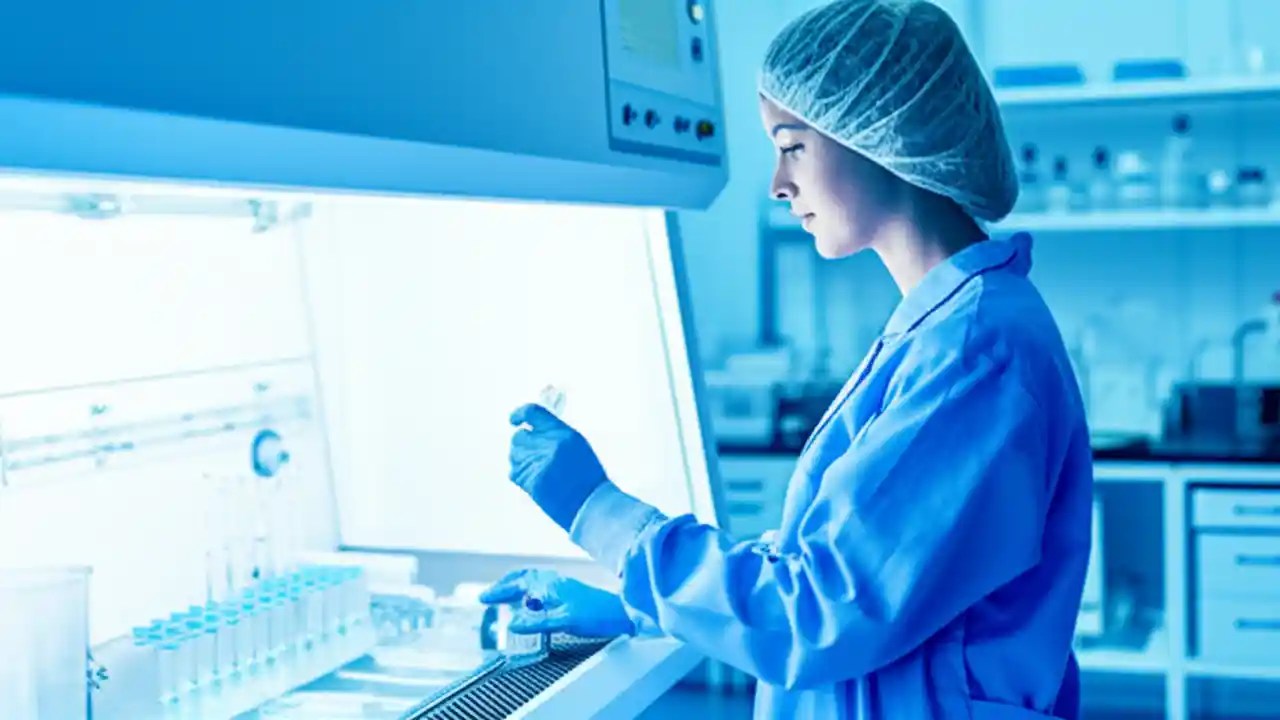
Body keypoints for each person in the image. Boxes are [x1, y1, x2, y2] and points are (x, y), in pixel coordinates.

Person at [481, 1, 1094, 718]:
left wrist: (597, 509)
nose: (777, 182)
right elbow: (847, 560)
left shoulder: (973, 353)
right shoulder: (947, 328)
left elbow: (821, 611)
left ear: (882, 133)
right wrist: (633, 605)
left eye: (792, 146)